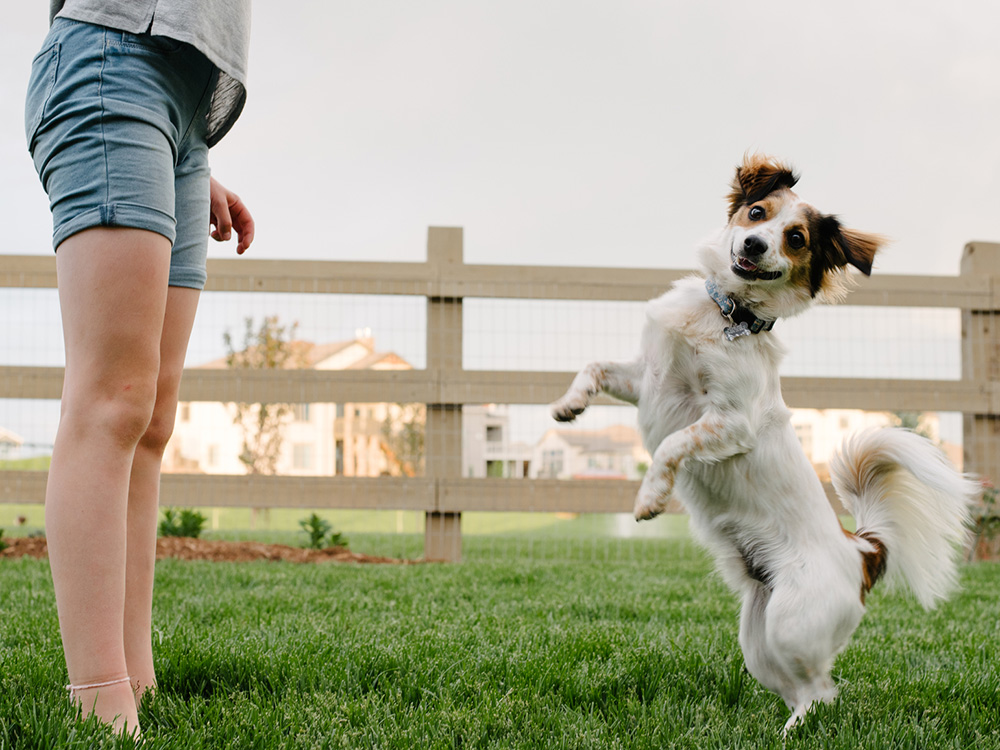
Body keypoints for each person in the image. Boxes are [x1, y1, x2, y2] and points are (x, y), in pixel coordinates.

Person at [24, 0, 253, 737]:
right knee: (111, 402)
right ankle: (97, 698)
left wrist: (190, 158)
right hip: (112, 60)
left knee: (152, 417)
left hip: (183, 108)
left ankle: (133, 679)